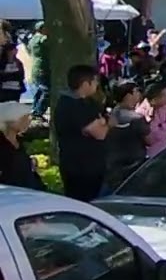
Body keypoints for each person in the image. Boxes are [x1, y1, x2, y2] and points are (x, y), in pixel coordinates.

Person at [54, 64, 109, 201]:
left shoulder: (89, 102)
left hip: (94, 166)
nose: (97, 85)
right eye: (94, 81)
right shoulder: (71, 105)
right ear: (85, 84)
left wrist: (103, 122)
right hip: (79, 168)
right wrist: (107, 124)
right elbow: (100, 133)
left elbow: (103, 119)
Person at [104, 81, 150, 190]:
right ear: (128, 95)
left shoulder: (110, 115)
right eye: (136, 91)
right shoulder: (137, 119)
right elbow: (149, 140)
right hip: (134, 165)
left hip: (112, 164)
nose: (139, 94)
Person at [0, 102, 45, 190]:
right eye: (23, 118)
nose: (28, 121)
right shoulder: (2, 144)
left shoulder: (19, 140)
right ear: (10, 121)